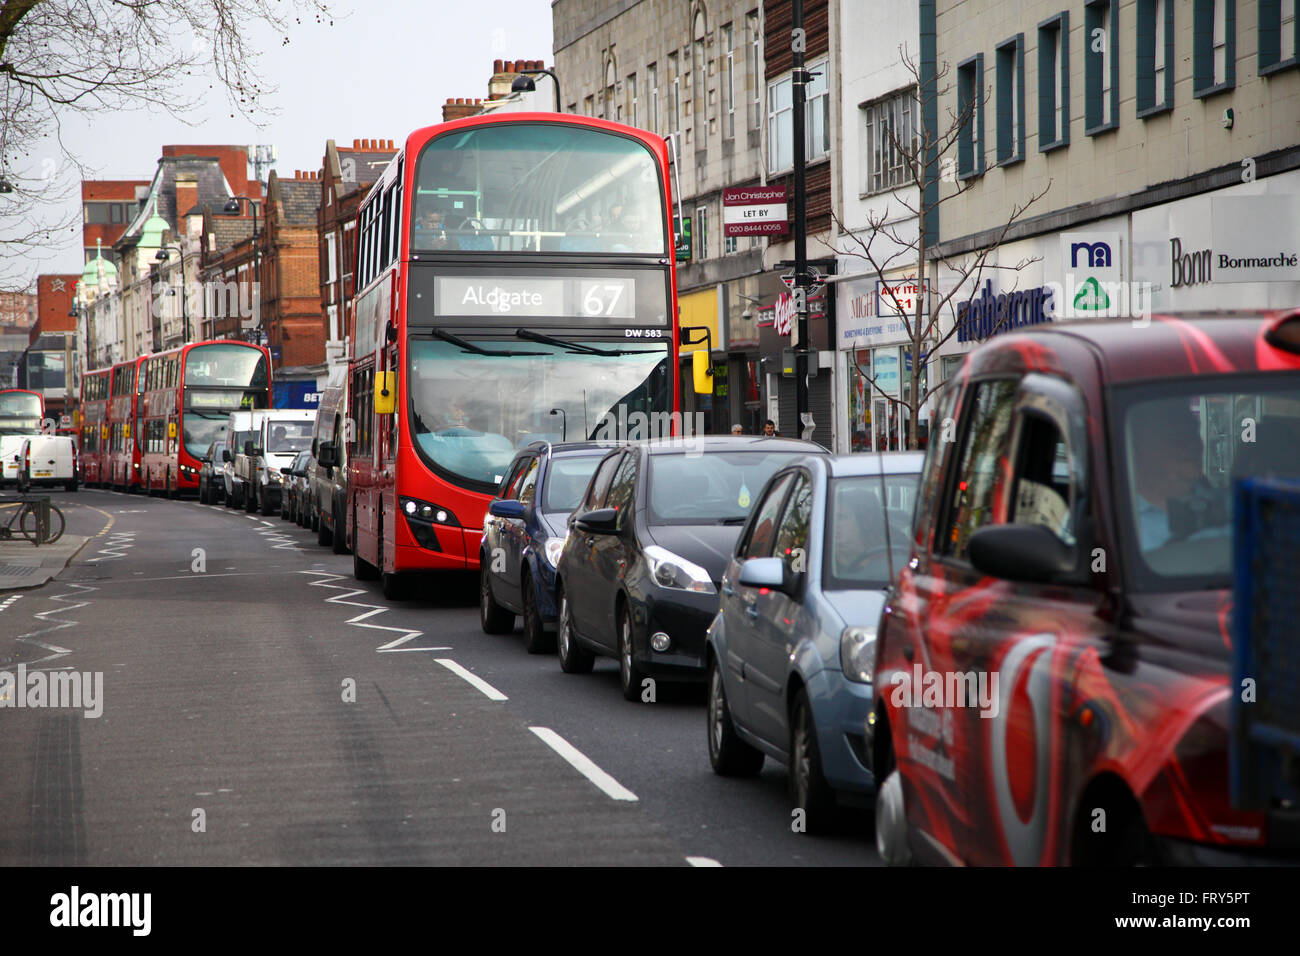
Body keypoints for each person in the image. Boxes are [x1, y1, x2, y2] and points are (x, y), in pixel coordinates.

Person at [1128, 399, 1216, 551]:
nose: (1194, 443)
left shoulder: (1229, 509)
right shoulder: (1115, 520)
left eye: (1194, 432)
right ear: (1136, 448)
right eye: (1177, 436)